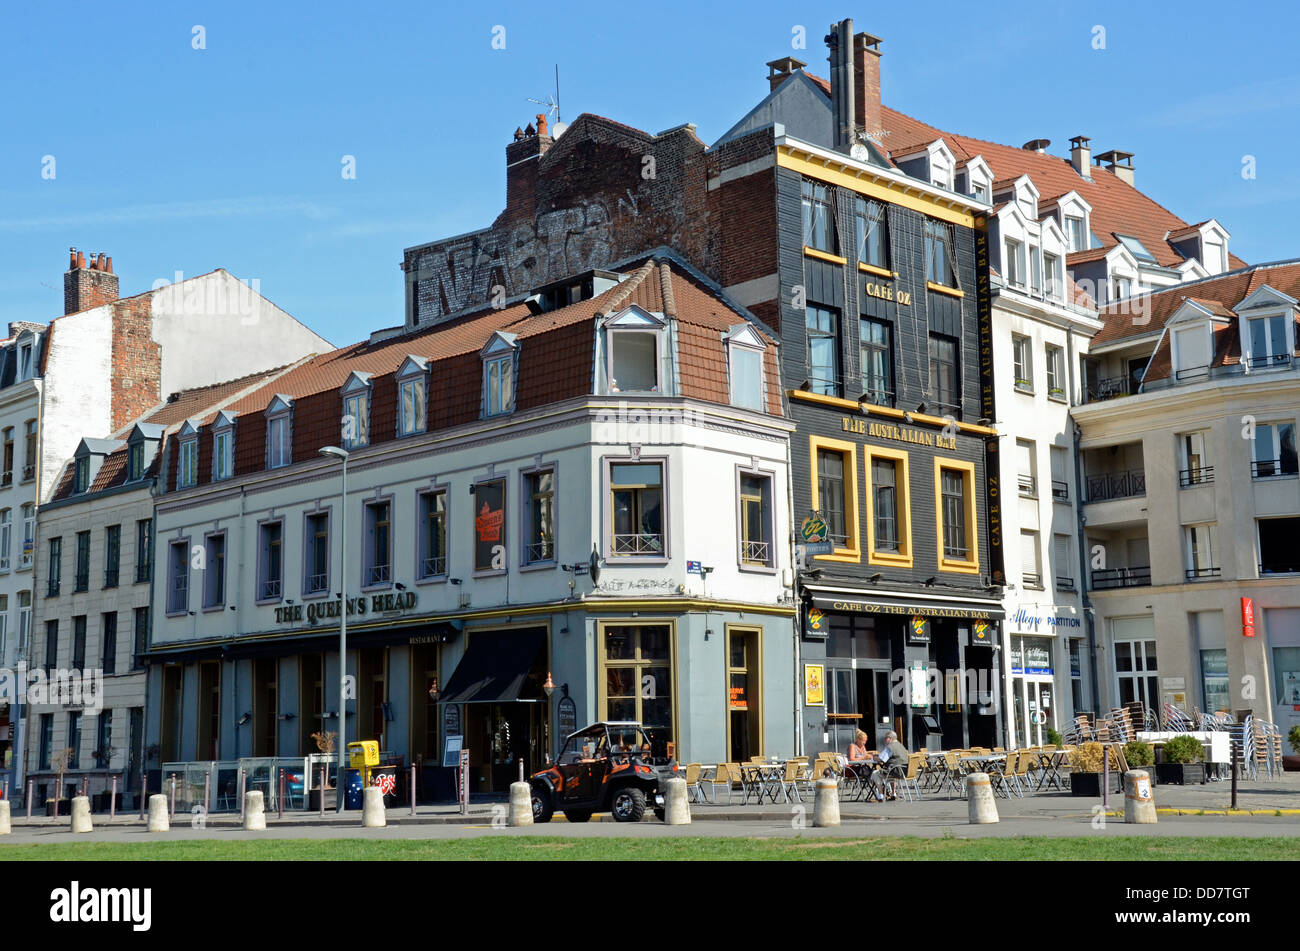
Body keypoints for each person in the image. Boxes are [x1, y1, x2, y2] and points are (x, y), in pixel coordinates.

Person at [872, 730, 910, 801]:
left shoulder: (890, 747)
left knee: (875, 773)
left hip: (895, 771)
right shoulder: (901, 746)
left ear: (890, 738)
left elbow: (881, 759)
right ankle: (893, 793)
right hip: (904, 771)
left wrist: (874, 757)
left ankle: (880, 796)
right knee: (891, 769)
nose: (884, 740)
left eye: (885, 738)